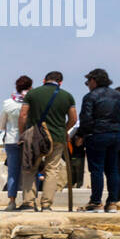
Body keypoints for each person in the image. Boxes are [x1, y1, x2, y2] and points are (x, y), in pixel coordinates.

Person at [18, 71, 77, 212]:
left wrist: (22, 133)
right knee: (52, 170)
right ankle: (47, 204)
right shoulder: (67, 96)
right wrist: (64, 130)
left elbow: (23, 114)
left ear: (44, 80)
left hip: (35, 137)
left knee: (30, 168)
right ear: (60, 82)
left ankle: (29, 203)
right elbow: (74, 119)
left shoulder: (32, 94)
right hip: (57, 137)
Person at [77, 67, 120, 212]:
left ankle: (96, 201)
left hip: (97, 134)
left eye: (87, 81)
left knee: (96, 169)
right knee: (113, 168)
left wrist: (82, 135)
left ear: (94, 80)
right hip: (115, 134)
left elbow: (85, 119)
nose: (87, 84)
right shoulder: (119, 95)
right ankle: (113, 202)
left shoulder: (90, 97)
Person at [0, 75, 32, 211]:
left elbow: (1, 124)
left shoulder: (8, 103)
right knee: (30, 171)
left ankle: (12, 201)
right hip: (28, 140)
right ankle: (28, 200)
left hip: (12, 140)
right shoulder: (31, 102)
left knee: (12, 172)